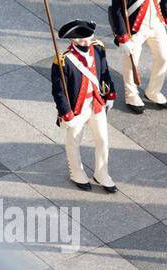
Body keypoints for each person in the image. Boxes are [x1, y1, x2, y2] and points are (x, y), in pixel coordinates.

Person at [50, 20, 118, 193]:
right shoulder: (63, 61)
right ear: (73, 41)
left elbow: (104, 72)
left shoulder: (98, 48)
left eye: (88, 37)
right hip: (77, 107)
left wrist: (110, 94)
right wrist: (67, 114)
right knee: (74, 141)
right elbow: (59, 91)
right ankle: (76, 172)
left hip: (96, 102)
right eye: (81, 39)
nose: (86, 42)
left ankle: (102, 173)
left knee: (103, 139)